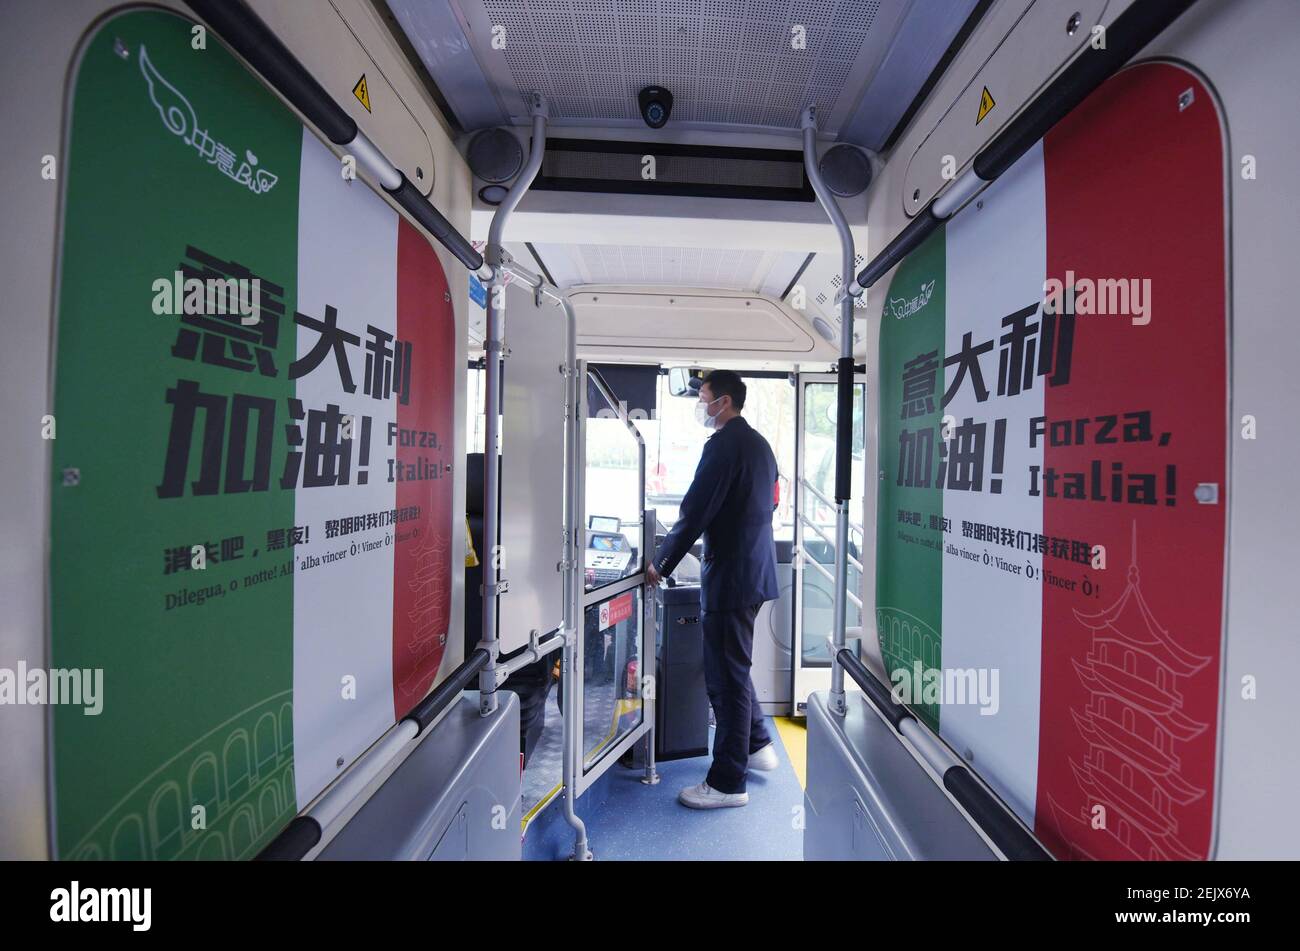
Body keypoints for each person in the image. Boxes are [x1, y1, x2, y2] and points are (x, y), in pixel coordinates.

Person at [647, 370, 780, 809]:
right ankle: (757, 745)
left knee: (725, 679)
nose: (699, 406)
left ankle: (727, 783)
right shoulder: (760, 445)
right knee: (735, 667)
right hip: (756, 572)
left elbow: (695, 511)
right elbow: (771, 501)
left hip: (732, 579)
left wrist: (661, 563)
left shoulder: (723, 445)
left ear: (722, 402)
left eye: (702, 397)